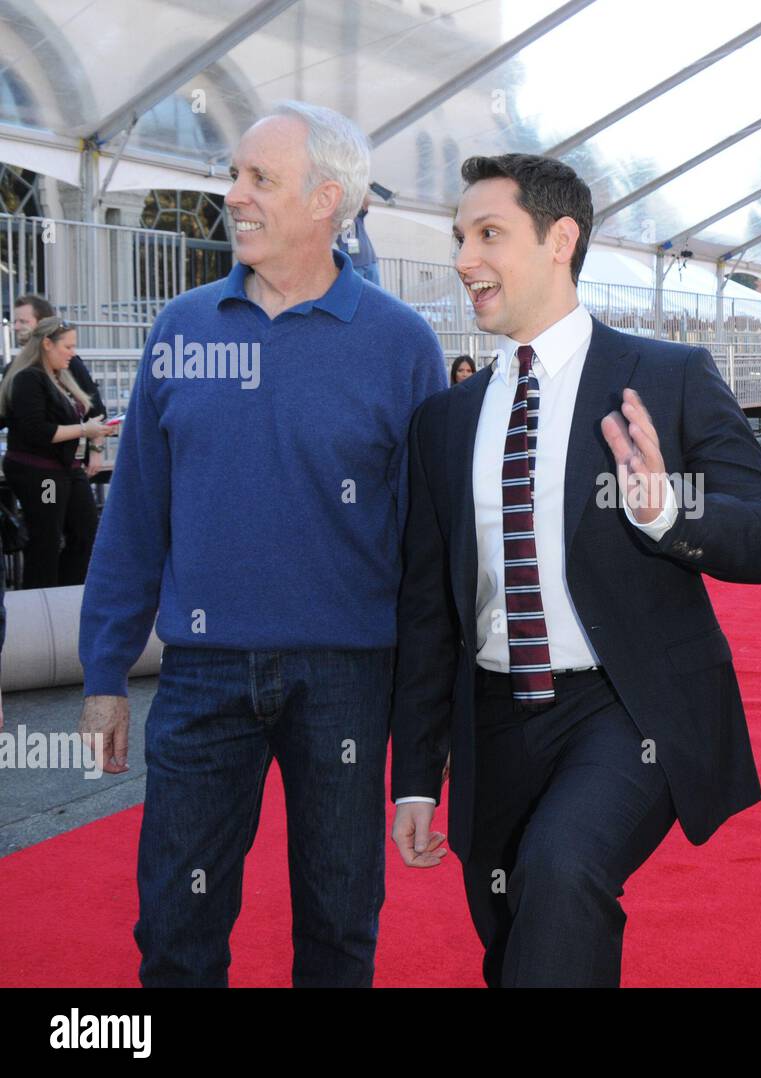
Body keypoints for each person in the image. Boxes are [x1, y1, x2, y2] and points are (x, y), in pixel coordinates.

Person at [389, 152, 761, 988]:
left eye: (488, 234)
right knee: (515, 937)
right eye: (459, 238)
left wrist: (665, 513)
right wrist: (413, 777)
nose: (464, 260)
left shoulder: (665, 378)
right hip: (493, 719)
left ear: (560, 240)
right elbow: (430, 610)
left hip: (626, 708)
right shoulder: (445, 420)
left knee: (564, 865)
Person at [77, 101, 446, 988]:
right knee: (175, 923)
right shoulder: (182, 329)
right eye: (234, 175)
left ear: (328, 200)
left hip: (349, 680)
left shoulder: (402, 345)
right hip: (201, 673)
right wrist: (102, 676)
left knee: (338, 925)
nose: (231, 195)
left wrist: (428, 734)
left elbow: (431, 552)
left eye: (257, 179)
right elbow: (134, 518)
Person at [0, 318, 114, 588]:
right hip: (42, 474)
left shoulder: (60, 376)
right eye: (68, 346)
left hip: (65, 467)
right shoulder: (28, 378)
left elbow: (91, 410)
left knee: (86, 532)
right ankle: (42, 598)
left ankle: (66, 593)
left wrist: (94, 434)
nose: (73, 352)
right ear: (47, 344)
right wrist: (85, 429)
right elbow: (39, 431)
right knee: (47, 537)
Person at [9, 294, 109, 476]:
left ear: (43, 326)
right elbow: (12, 417)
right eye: (15, 321)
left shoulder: (70, 363)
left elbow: (95, 408)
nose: (16, 327)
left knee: (77, 504)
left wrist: (96, 449)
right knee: (51, 501)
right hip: (38, 466)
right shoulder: (19, 370)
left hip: (62, 464)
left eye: (23, 321)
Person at [337, 194, 380, 286]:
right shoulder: (336, 221)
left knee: (376, 294)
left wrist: (363, 187)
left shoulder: (357, 216)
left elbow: (367, 201)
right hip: (353, 266)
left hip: (369, 262)